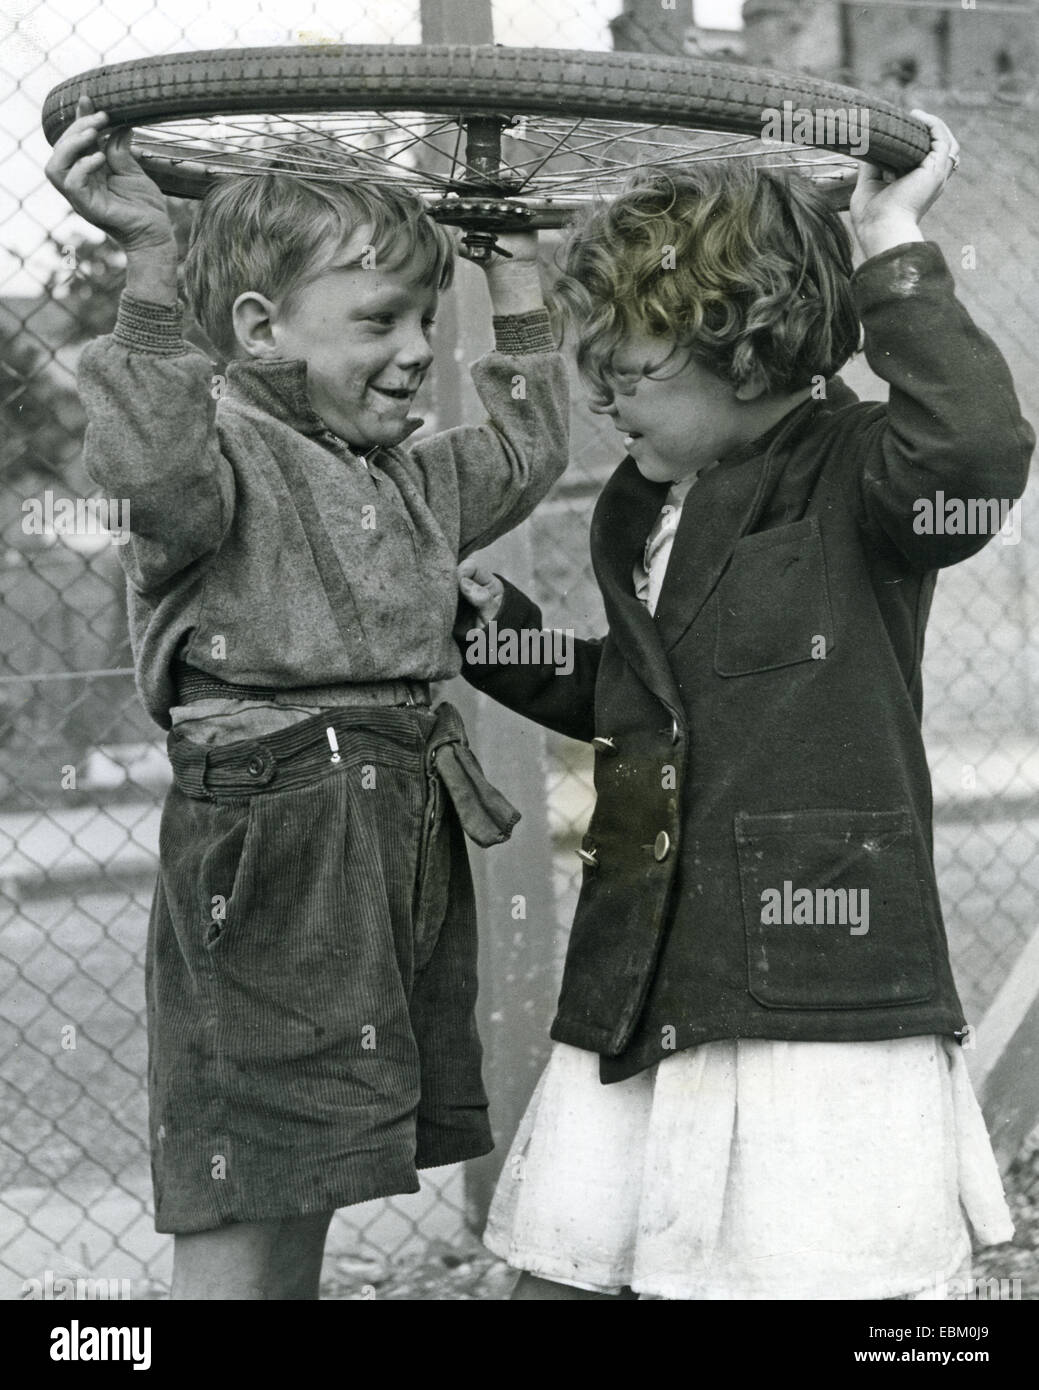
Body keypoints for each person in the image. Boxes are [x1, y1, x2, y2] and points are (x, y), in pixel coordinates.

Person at [457, 112, 1034, 1301]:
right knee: (568, 1266)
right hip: (652, 964)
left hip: (815, 983)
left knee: (805, 1266)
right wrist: (494, 633)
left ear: (750, 347)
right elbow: (639, 700)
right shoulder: (643, 511)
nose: (606, 399)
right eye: (597, 372)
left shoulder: (864, 474)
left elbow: (975, 450)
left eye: (630, 369)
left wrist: (889, 243)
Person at [45, 94, 568, 1299]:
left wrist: (523, 292)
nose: (413, 350)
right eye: (378, 320)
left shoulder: (407, 475)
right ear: (258, 328)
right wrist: (150, 272)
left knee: (322, 1158)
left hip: (393, 828)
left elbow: (527, 454)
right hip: (275, 837)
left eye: (426, 321)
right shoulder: (215, 460)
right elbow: (148, 471)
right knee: (253, 1163)